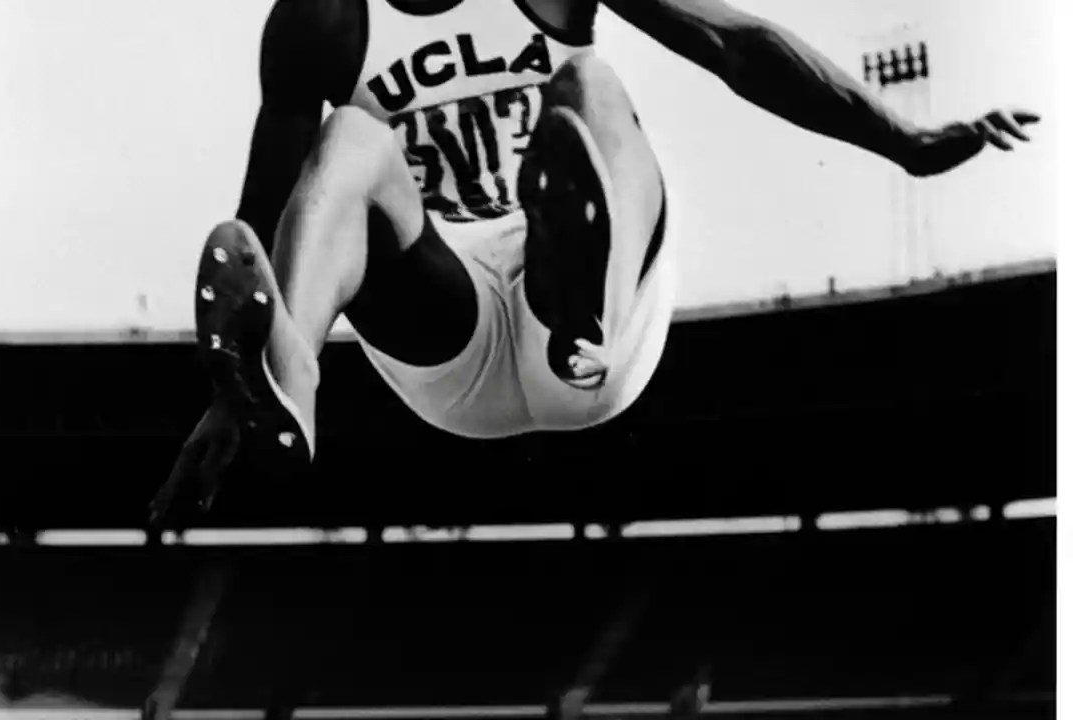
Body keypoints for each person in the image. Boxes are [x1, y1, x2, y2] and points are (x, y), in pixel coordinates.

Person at [149, 0, 1039, 526]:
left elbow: (735, 45)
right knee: (350, 138)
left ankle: (586, 302)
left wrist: (904, 140)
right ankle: (290, 377)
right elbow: (275, 207)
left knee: (592, 90)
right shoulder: (323, 17)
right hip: (442, 306)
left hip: (572, 286)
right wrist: (227, 404)